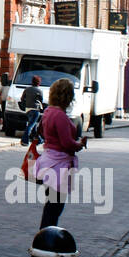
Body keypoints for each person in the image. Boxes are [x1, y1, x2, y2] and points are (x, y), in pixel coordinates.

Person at [33, 78, 87, 228]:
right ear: (68, 96)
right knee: (55, 206)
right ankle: (46, 238)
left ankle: (44, 235)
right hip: (59, 164)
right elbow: (66, 143)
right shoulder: (60, 116)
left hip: (49, 160)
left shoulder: (49, 111)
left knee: (51, 203)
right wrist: (79, 144)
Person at [20, 76, 45, 145]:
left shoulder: (27, 89)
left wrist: (25, 105)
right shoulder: (39, 91)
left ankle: (39, 140)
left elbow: (22, 98)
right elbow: (41, 101)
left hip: (28, 110)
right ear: (39, 83)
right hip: (35, 110)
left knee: (33, 125)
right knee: (31, 126)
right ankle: (25, 141)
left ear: (32, 82)